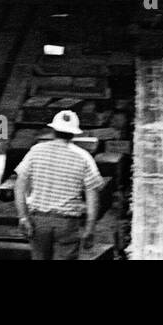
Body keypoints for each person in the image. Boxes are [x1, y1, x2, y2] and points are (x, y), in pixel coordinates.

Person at [14, 110, 105, 260]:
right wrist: (89, 228)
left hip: (39, 221)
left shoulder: (36, 151)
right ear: (74, 133)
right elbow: (92, 196)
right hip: (67, 223)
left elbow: (19, 186)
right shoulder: (84, 157)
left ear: (54, 130)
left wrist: (23, 217)